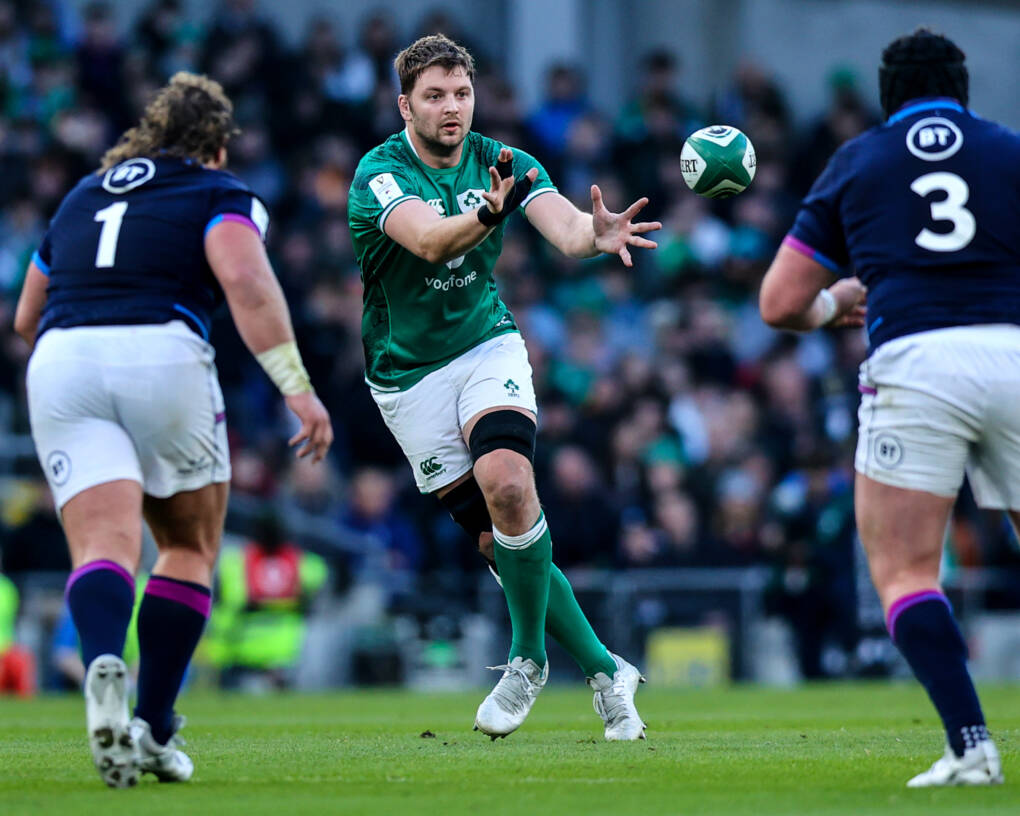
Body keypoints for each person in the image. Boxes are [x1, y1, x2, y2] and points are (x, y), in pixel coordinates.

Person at [13, 72, 332, 788]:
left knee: (102, 546)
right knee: (187, 546)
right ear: (215, 146)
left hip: (62, 355)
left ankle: (101, 659)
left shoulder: (81, 195)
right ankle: (153, 727)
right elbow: (246, 282)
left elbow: (24, 317)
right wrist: (299, 391)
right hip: (159, 347)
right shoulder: (217, 192)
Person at [348, 34, 660, 741]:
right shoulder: (379, 174)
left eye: (461, 93)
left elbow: (566, 229)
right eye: (434, 96)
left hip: (487, 345)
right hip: (406, 377)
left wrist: (596, 234)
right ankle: (609, 672)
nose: (451, 107)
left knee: (511, 484)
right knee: (499, 544)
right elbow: (430, 241)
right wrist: (487, 215)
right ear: (406, 105)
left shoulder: (505, 161)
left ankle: (526, 659)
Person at [759, 28, 1007, 787]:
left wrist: (834, 302)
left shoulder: (861, 160)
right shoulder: (1010, 149)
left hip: (918, 361)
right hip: (1017, 351)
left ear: (887, 94)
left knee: (903, 573)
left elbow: (779, 303)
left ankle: (971, 747)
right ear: (961, 90)